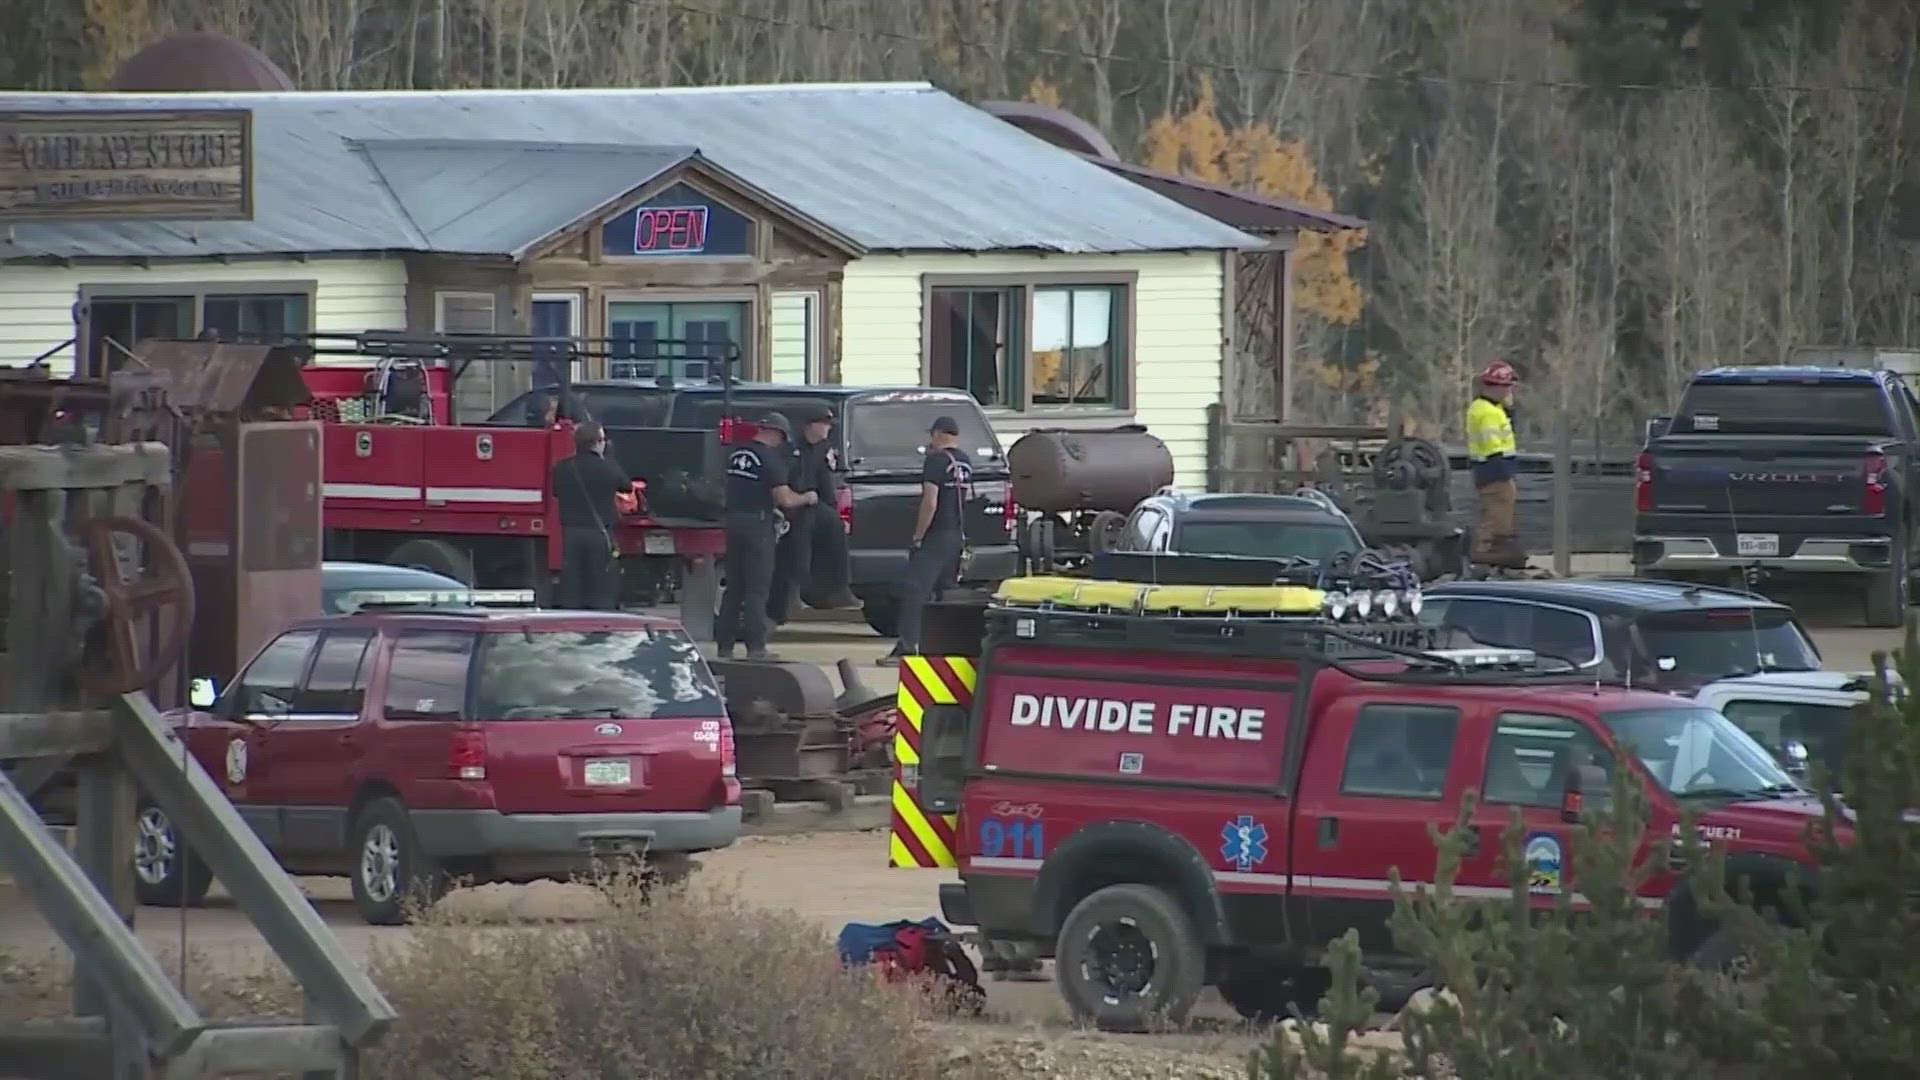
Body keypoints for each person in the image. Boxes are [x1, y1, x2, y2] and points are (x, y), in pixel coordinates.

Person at [717, 412, 817, 661]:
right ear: (777, 434)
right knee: (757, 589)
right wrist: (808, 497)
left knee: (734, 588)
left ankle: (725, 647)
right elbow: (784, 499)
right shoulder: (769, 459)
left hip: (733, 522)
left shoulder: (736, 454)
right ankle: (756, 647)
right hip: (757, 526)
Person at [881, 415, 971, 665]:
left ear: (939, 434)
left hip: (936, 534)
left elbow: (930, 501)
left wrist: (919, 535)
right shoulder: (964, 461)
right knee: (944, 593)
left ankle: (907, 648)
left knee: (915, 590)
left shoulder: (935, 462)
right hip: (956, 533)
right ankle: (944, 647)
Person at [768, 405, 855, 625]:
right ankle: (800, 589)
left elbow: (825, 481)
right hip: (790, 506)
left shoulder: (821, 448)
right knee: (799, 545)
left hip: (812, 502)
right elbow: (780, 482)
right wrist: (799, 499)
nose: (827, 429)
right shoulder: (789, 447)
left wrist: (835, 513)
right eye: (824, 425)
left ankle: (836, 587)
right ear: (811, 425)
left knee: (834, 527)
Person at [552, 421, 631, 609]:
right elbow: (626, 485)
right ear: (597, 442)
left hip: (571, 533)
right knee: (601, 583)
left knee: (573, 583)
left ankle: (572, 621)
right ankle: (599, 624)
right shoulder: (607, 468)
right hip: (600, 533)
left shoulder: (562, 467)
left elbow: (556, 492)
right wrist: (609, 458)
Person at [1465, 360, 1523, 568]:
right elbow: (1492, 445)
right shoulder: (1488, 412)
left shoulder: (1487, 408)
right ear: (1497, 387)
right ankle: (1484, 557)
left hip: (1490, 471)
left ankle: (1493, 557)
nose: (1509, 391)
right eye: (1507, 387)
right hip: (1495, 471)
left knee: (1496, 515)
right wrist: (1504, 473)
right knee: (1496, 519)